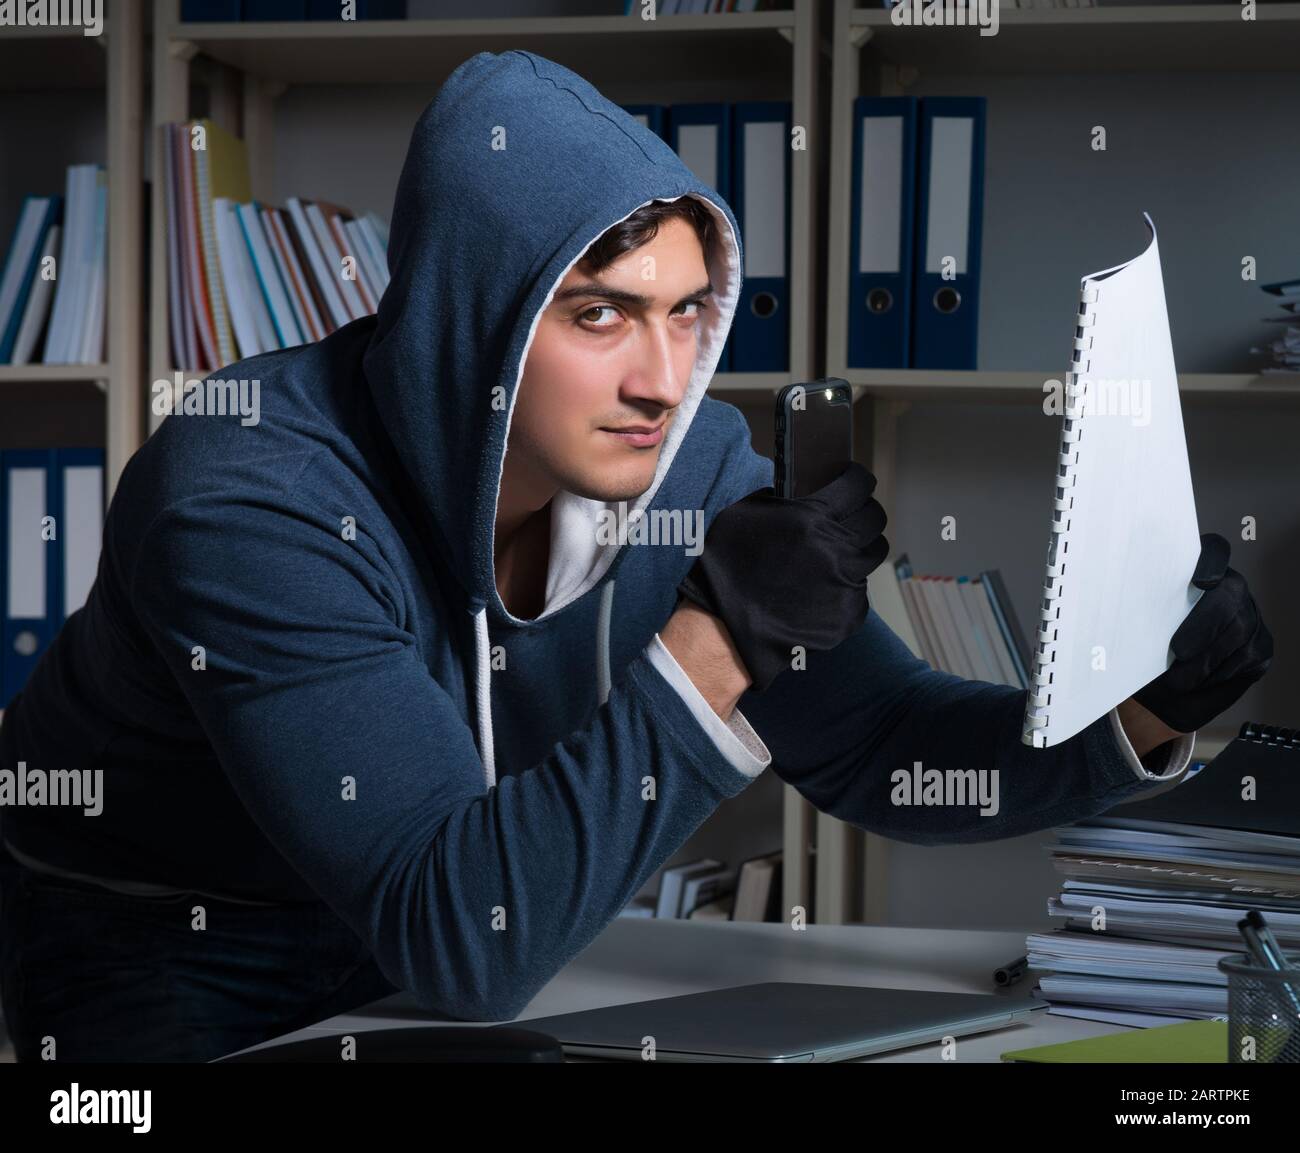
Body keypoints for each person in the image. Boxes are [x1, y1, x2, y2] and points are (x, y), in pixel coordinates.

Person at [0, 50, 1271, 1063]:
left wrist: (1145, 714)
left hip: (432, 940)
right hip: (162, 940)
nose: (660, 381)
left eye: (685, 314)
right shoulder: (249, 493)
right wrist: (716, 637)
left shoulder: (686, 462)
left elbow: (881, 745)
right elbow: (469, 941)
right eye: (598, 313)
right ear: (470, 316)